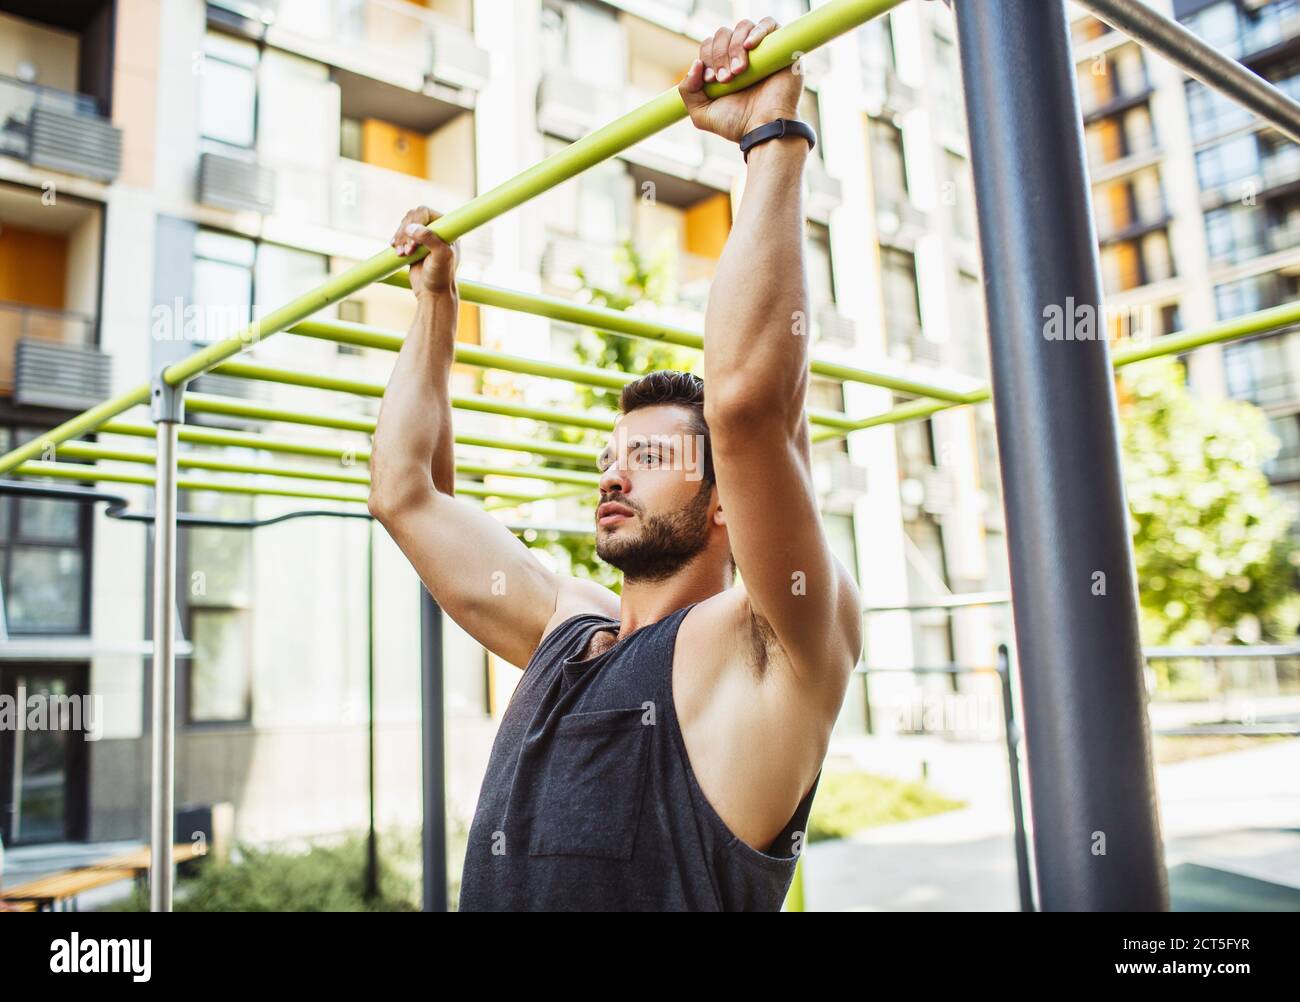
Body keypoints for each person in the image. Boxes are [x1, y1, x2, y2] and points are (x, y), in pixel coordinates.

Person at [369, 14, 862, 911]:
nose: (612, 473)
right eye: (610, 456)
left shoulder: (770, 650)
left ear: (725, 505)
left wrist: (772, 136)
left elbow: (748, 406)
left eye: (650, 454)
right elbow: (404, 493)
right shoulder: (565, 629)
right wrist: (435, 304)